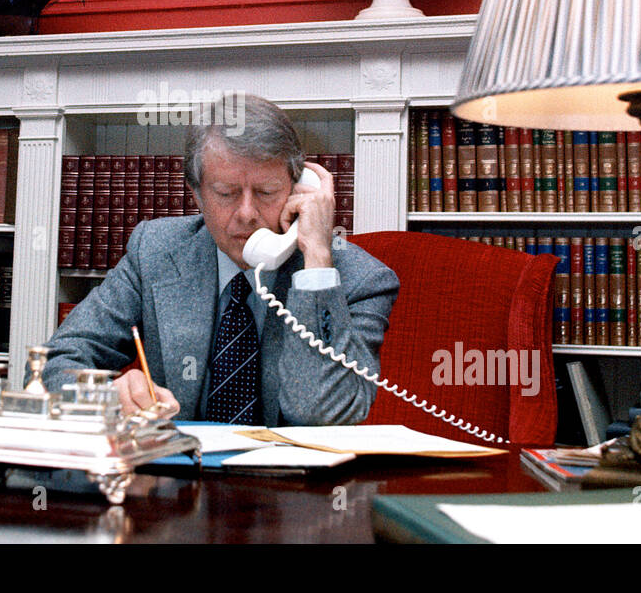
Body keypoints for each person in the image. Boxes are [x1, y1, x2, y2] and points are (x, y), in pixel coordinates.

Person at [43, 94, 398, 425]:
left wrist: (318, 262)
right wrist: (105, 396)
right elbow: (56, 360)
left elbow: (322, 412)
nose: (247, 214)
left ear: (299, 187)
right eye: (226, 193)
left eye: (267, 192)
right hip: (176, 483)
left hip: (297, 489)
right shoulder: (154, 250)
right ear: (196, 195)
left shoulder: (360, 279)